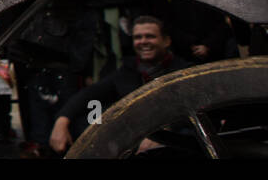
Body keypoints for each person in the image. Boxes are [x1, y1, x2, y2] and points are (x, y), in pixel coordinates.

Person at [49, 15, 187, 153]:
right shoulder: (128, 70)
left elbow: (189, 110)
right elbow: (90, 94)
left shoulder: (185, 72)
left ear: (166, 41)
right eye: (138, 37)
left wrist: (163, 133)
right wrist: (62, 120)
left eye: (150, 36)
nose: (143, 41)